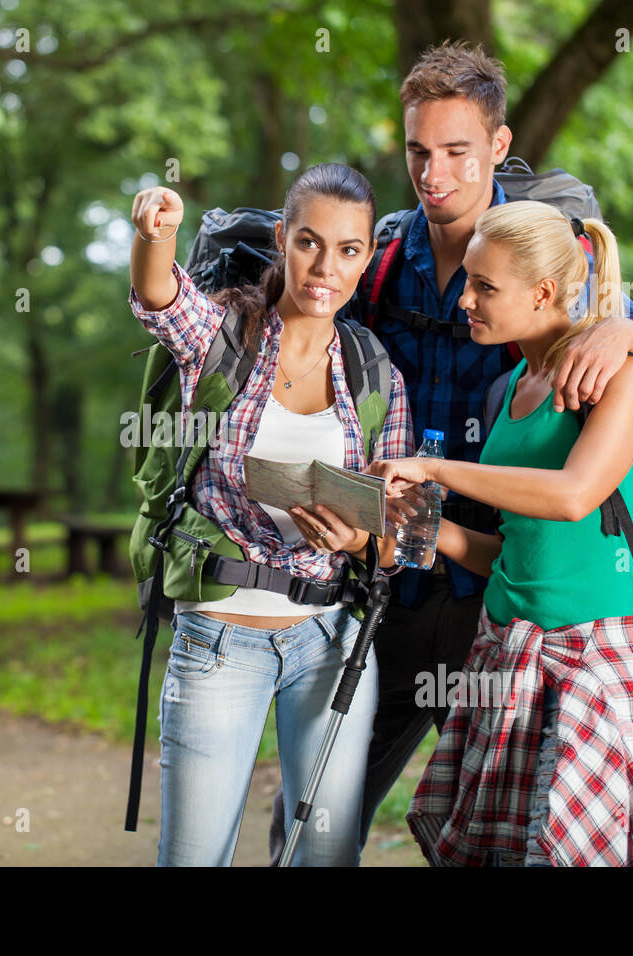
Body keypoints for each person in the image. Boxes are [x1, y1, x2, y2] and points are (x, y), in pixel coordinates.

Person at [267, 40, 633, 861]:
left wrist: (625, 330)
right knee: (316, 818)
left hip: (509, 605)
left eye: (456, 153)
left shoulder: (548, 255)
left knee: (521, 837)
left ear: (499, 147)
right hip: (395, 575)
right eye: (417, 152)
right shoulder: (377, 261)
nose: (433, 175)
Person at [128, 163, 414, 866]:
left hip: (332, 642)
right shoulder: (227, 335)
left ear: (366, 258)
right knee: (194, 856)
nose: (326, 268)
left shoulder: (376, 371)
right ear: (284, 239)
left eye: (349, 250)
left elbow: (399, 537)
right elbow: (159, 298)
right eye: (311, 243)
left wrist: (361, 537)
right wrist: (154, 234)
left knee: (324, 857)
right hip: (221, 639)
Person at [371, 199, 633, 865]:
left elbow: (572, 498)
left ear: (544, 291)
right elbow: (520, 545)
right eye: (468, 280)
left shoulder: (623, 377)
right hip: (505, 645)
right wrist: (427, 524)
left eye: (484, 287)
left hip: (588, 656)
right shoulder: (510, 387)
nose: (464, 300)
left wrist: (437, 466)